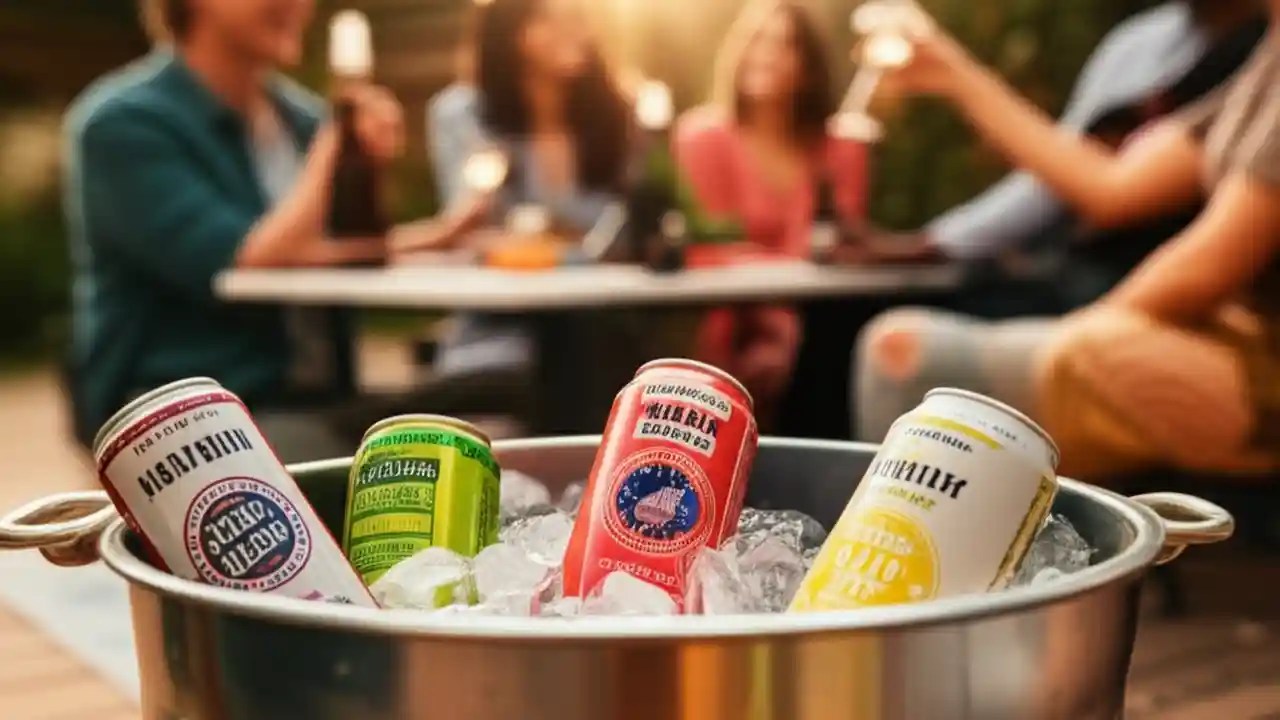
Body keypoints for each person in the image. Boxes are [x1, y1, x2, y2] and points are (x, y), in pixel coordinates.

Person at [853, 6, 1280, 481]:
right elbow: (1112, 186)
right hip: (1223, 339)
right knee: (898, 346)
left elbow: (1210, 262)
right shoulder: (1265, 63)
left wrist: (1071, 344)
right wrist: (951, 72)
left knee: (931, 358)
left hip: (1262, 372)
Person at [64, 0, 404, 459]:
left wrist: (451, 229)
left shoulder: (299, 118)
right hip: (182, 412)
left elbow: (335, 249)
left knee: (494, 407)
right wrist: (338, 135)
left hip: (317, 399)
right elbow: (246, 254)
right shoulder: (123, 125)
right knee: (368, 473)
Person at [850, 0, 1265, 318]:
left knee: (898, 334)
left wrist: (1083, 337)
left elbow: (1115, 192)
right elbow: (1067, 167)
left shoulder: (1259, 54)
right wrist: (939, 241)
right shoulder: (1140, 43)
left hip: (1136, 288)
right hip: (1070, 271)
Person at [402, 0, 631, 385]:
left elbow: (630, 231)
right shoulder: (463, 114)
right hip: (498, 331)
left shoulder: (618, 117)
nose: (572, 27)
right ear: (509, 30)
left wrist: (532, 243)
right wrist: (575, 246)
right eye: (548, 17)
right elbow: (470, 234)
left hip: (602, 327)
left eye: (579, 14)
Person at [674, 0, 868, 424]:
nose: (767, 55)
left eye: (786, 45)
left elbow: (835, 247)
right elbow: (707, 248)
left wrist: (789, 332)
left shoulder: (842, 147)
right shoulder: (704, 137)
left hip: (815, 333)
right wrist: (778, 326)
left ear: (810, 66)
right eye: (757, 41)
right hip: (729, 325)